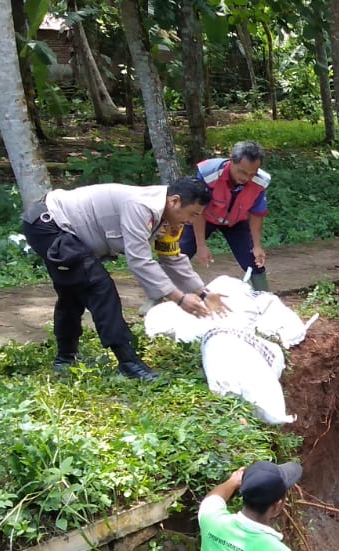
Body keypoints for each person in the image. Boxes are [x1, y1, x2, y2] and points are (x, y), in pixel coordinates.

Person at [21, 177, 230, 381]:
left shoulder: (171, 220)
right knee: (99, 287)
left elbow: (172, 258)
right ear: (175, 201)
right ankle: (127, 362)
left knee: (73, 290)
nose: (191, 221)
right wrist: (179, 298)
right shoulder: (141, 207)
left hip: (59, 227)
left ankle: (65, 358)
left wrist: (203, 293)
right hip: (48, 224)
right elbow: (139, 260)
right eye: (192, 214)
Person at [182, 141, 274, 292]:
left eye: (252, 174)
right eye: (242, 172)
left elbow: (256, 214)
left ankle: (266, 298)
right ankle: (157, 297)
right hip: (205, 216)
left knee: (253, 260)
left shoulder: (260, 181)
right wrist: (201, 245)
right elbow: (198, 209)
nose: (246, 178)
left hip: (236, 221)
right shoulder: (209, 173)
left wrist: (257, 246)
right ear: (231, 160)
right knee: (179, 254)